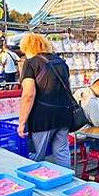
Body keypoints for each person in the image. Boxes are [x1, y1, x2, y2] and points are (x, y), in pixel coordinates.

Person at [17, 33, 71, 168]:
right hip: (64, 113)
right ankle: (67, 183)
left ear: (26, 47)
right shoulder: (61, 62)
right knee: (62, 151)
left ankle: (35, 185)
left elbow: (28, 94)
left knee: (36, 155)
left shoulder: (31, 63)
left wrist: (22, 122)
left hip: (42, 117)